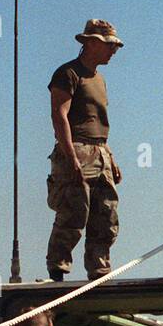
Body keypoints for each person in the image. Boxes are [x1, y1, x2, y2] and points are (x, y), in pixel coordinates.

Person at [46, 19, 125, 283]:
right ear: (91, 43)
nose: (113, 50)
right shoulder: (68, 73)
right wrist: (70, 157)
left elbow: (98, 121)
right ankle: (58, 269)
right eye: (109, 45)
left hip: (100, 151)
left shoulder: (99, 79)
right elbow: (60, 115)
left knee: (105, 215)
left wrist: (109, 158)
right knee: (73, 211)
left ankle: (99, 272)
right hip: (77, 149)